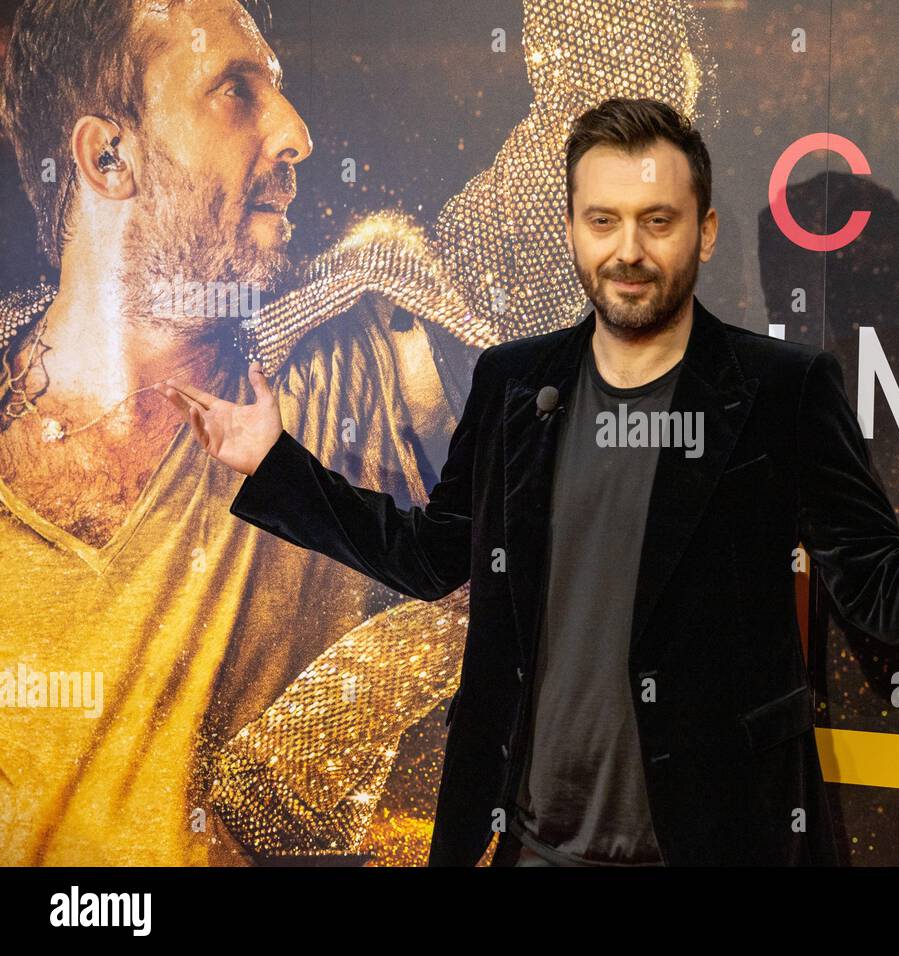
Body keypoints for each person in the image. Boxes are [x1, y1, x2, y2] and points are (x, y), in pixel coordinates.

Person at [157, 97, 899, 866]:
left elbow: (881, 593)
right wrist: (275, 465)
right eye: (603, 220)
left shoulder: (782, 394)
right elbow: (424, 556)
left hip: (709, 844)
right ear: (573, 230)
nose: (628, 249)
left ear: (702, 234)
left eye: (657, 221)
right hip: (528, 843)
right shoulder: (512, 384)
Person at [0, 0, 713, 865]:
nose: (295, 132)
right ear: (108, 157)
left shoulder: (371, 355)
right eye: (236, 90)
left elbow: (623, 86)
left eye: (282, 89)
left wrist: (341, 716)